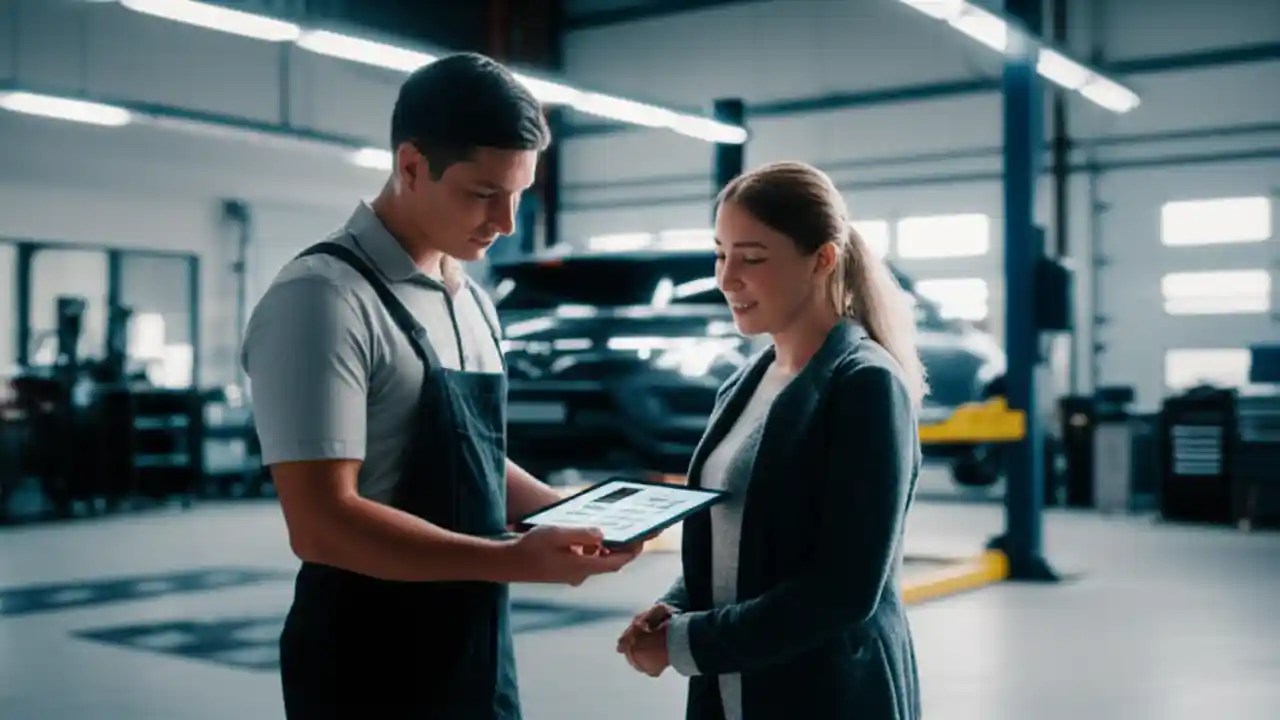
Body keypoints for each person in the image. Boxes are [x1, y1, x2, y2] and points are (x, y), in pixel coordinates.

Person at [241, 53, 642, 719]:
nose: (506, 221)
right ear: (410, 166)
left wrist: (568, 512)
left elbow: (469, 452)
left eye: (519, 194)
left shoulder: (471, 300)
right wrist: (514, 562)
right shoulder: (322, 299)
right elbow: (321, 524)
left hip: (474, 657)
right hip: (366, 667)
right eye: (483, 193)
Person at [616, 161, 928, 720]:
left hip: (829, 694)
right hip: (735, 691)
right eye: (720, 254)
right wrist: (675, 605)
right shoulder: (745, 383)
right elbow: (742, 540)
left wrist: (688, 642)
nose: (726, 278)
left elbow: (843, 589)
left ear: (822, 259)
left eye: (752, 258)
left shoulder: (865, 384)